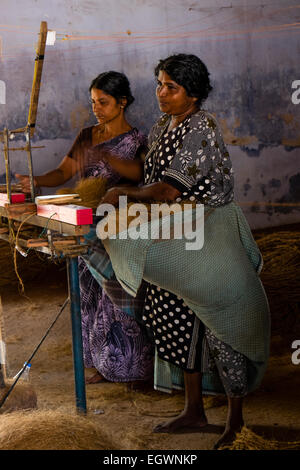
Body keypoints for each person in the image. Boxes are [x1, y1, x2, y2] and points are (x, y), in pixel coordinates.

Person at [99, 55, 270, 449]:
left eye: (171, 87)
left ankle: (236, 421)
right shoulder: (163, 125)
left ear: (192, 93)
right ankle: (194, 409)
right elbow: (152, 180)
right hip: (174, 232)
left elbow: (167, 190)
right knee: (176, 318)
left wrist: (120, 195)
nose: (161, 93)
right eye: (159, 84)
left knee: (221, 318)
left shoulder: (202, 127)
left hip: (207, 232)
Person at [16, 71, 154, 385]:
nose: (96, 108)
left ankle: (129, 367)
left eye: (103, 102)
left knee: (116, 297)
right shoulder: (86, 136)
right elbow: (64, 172)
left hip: (120, 227)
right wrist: (36, 181)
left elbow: (140, 172)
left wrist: (108, 156)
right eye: (93, 102)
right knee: (88, 296)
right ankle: (98, 365)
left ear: (122, 103)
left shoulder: (138, 140)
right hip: (84, 224)